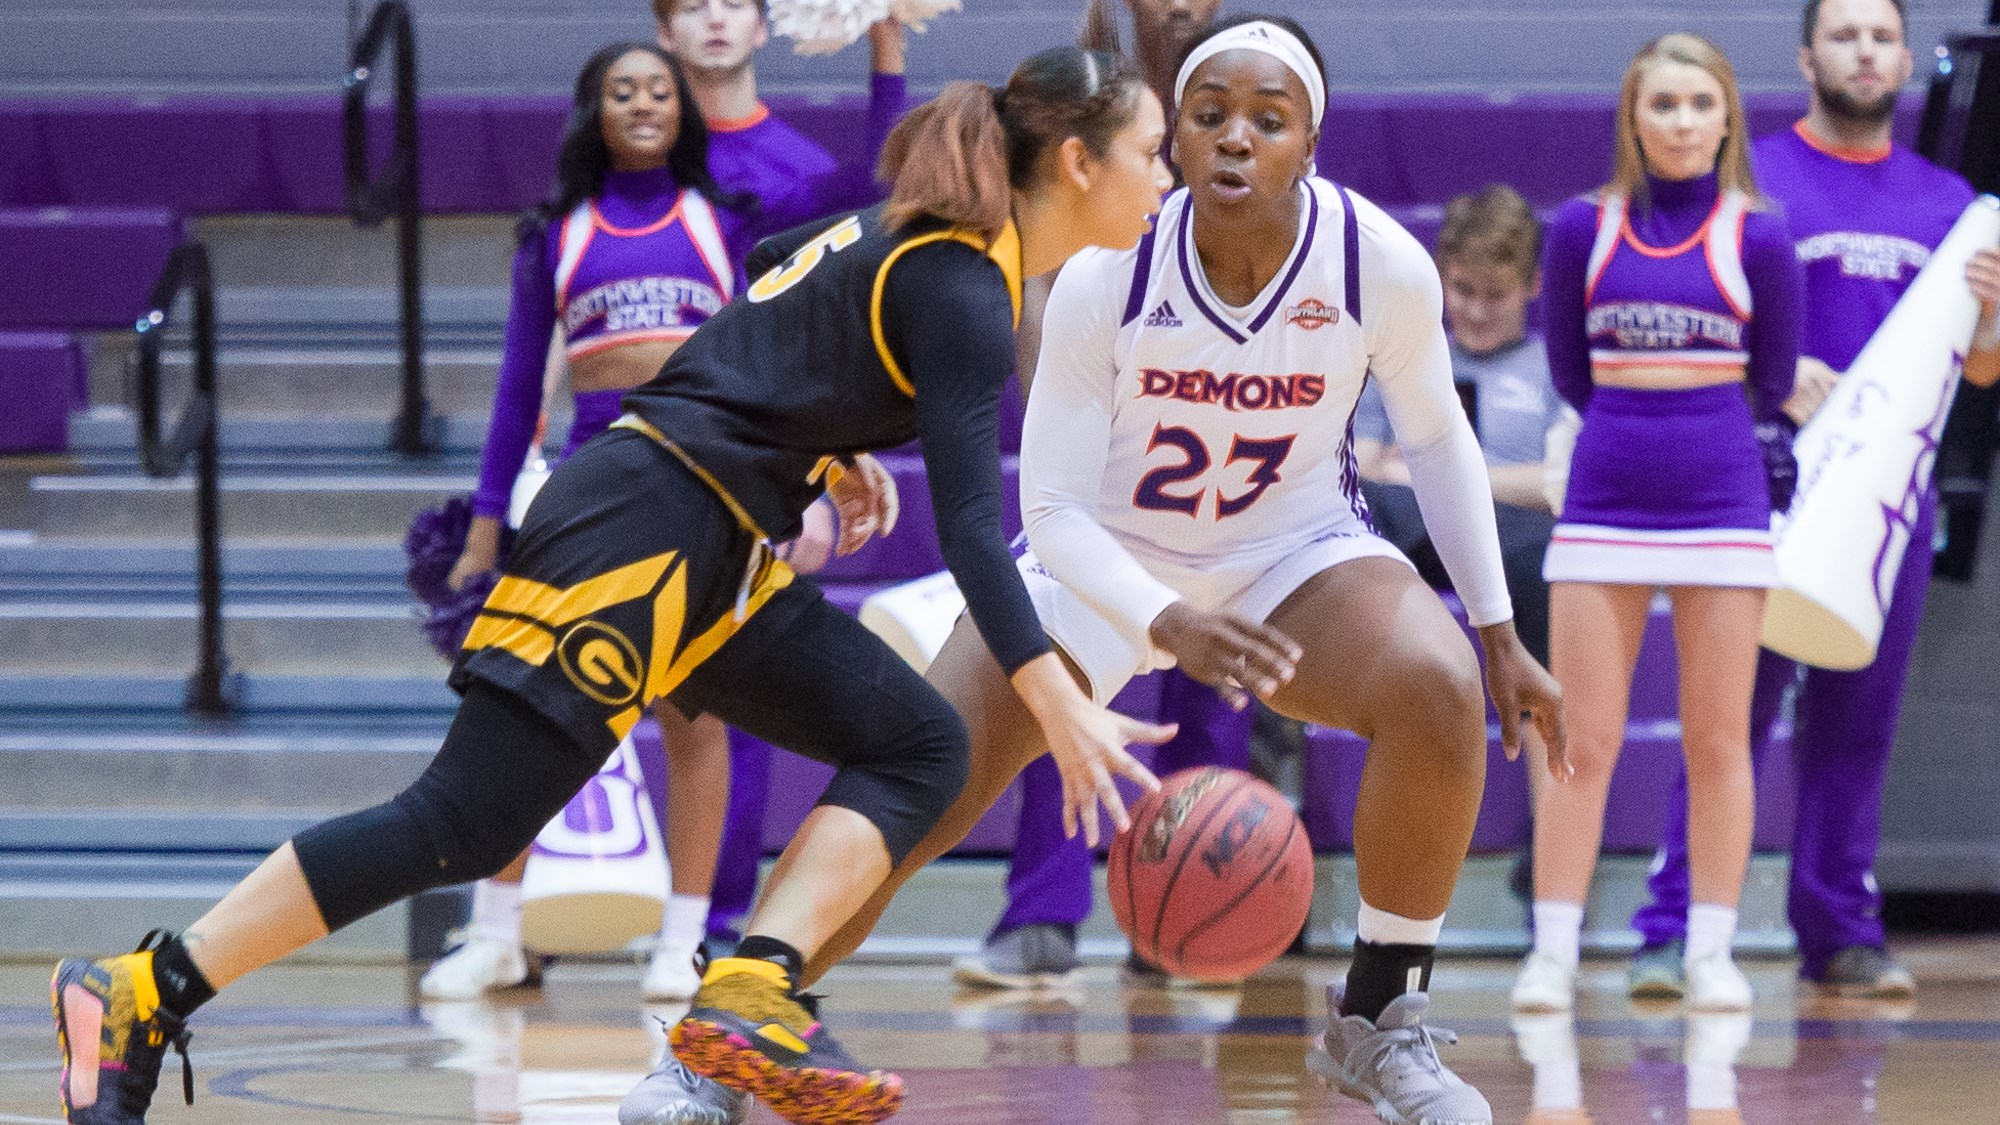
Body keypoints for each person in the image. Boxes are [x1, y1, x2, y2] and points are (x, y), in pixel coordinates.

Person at [50, 45, 1175, 1125]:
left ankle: (748, 992)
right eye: (1151, 153)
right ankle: (141, 991)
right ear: (1076, 163)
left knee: (919, 745)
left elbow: (780, 261)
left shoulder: (915, 237)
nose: (1163, 178)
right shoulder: (967, 289)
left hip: (713, 539)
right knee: (458, 821)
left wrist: (821, 434)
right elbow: (979, 526)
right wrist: (1052, 694)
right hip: (644, 528)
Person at [806, 17, 1569, 1124]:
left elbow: (1442, 441)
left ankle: (1376, 1025)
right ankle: (740, 1019)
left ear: (1311, 142)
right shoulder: (1104, 274)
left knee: (1438, 685)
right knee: (918, 771)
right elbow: (1053, 509)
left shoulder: (1376, 262)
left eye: (1268, 120)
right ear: (1175, 136)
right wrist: (1165, 621)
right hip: (1100, 562)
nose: (1233, 141)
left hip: (1292, 553)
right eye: (1206, 117)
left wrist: (1498, 633)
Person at [415, 42, 845, 1010]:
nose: (645, 104)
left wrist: (804, 481)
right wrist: (487, 526)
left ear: (680, 111)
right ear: (593, 111)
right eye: (624, 91)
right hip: (590, 490)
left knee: (692, 717)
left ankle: (685, 940)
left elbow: (775, 364)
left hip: (704, 487)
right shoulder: (554, 235)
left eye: (659, 90)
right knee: (531, 713)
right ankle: (494, 932)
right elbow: (519, 387)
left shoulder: (722, 221)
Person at [1626, 0, 2000, 1002]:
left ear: (1905, 58)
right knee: (1723, 721)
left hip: (1884, 510)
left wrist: (1993, 318)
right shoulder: (1749, 184)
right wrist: (1771, 370)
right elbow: (1685, 310)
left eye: (1879, 35)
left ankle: (1838, 929)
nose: (1863, 51)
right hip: (1756, 488)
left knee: (1855, 726)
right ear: (1805, 57)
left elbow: (1975, 372)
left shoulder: (1949, 204)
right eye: (1843, 34)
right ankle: (1669, 931)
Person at [950, 0, 1239, 997]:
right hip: (1095, 458)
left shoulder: (1247, 97)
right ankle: (1041, 916)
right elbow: (1033, 298)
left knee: (1216, 695)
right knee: (1060, 689)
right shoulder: (1076, 104)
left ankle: (1198, 916)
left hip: (1219, 460)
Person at [1511, 31, 1804, 1015]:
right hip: (1602, 502)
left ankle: (1709, 953)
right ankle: (1551, 953)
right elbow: (1565, 370)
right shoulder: (1577, 229)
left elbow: (1770, 383)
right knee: (1578, 741)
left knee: (1717, 742)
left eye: (1697, 104)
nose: (1680, 121)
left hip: (1722, 504)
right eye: (1661, 104)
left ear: (1726, 117)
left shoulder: (1757, 236)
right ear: (1631, 119)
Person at [652, 0, 913, 956]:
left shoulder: (797, 172)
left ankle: (711, 920)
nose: (715, 20)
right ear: (663, 30)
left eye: (735, 4)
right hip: (642, 454)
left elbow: (884, 201)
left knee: (732, 690)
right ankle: (533, 910)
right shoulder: (635, 162)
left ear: (766, 30)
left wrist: (886, 60)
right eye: (693, 5)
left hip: (751, 460)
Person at [1355, 183, 1565, 668]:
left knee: (1546, 551)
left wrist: (1449, 479)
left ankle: (1547, 734)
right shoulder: (1401, 355)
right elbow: (1362, 468)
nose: (1475, 310)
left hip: (1514, 536)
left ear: (1532, 285)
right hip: (1410, 528)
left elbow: (1562, 484)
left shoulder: (1553, 369)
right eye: (1463, 290)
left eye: (1496, 295)